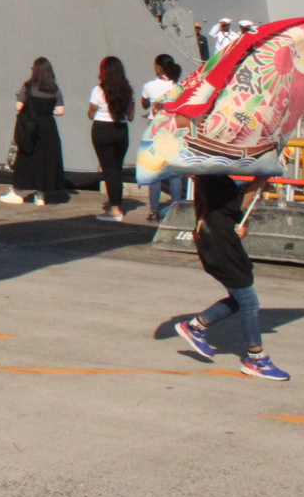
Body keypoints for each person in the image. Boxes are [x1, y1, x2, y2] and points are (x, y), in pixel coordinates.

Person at [172, 174, 289, 380]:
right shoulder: (211, 177)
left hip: (220, 243)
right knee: (249, 302)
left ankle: (195, 326)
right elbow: (237, 204)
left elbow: (232, 211)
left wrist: (242, 227)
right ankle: (256, 358)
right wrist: (259, 180)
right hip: (219, 247)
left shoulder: (212, 176)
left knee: (240, 299)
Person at [2, 57, 66, 204]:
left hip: (30, 127)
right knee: (45, 160)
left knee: (25, 157)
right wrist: (47, 111)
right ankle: (40, 194)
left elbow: (18, 107)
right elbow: (61, 111)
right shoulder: (54, 88)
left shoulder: (28, 87)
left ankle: (18, 192)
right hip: (49, 128)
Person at [139, 54, 186, 222]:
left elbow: (144, 103)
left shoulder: (150, 86)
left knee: (155, 171)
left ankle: (154, 210)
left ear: (159, 67)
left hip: (155, 132)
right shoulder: (180, 87)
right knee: (174, 172)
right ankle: (176, 207)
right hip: (174, 131)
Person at [89, 55, 135, 221]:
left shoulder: (98, 90)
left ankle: (115, 208)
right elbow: (130, 116)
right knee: (117, 168)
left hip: (102, 129)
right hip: (121, 130)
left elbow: (90, 114)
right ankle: (116, 202)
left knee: (108, 169)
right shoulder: (127, 90)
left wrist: (96, 108)